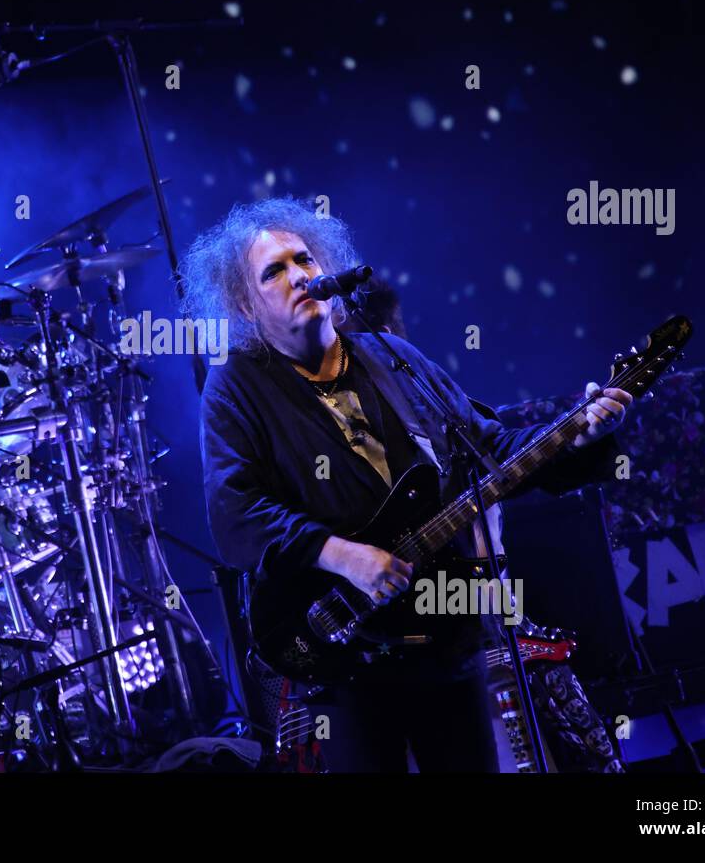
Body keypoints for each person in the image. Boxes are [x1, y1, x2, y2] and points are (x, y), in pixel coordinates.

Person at [184, 197, 632, 772]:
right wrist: (345, 558)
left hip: (443, 639)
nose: (300, 275)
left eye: (305, 259)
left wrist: (577, 434)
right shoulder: (235, 388)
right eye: (275, 270)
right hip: (341, 652)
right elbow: (235, 512)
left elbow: (485, 449)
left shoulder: (389, 356)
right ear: (246, 304)